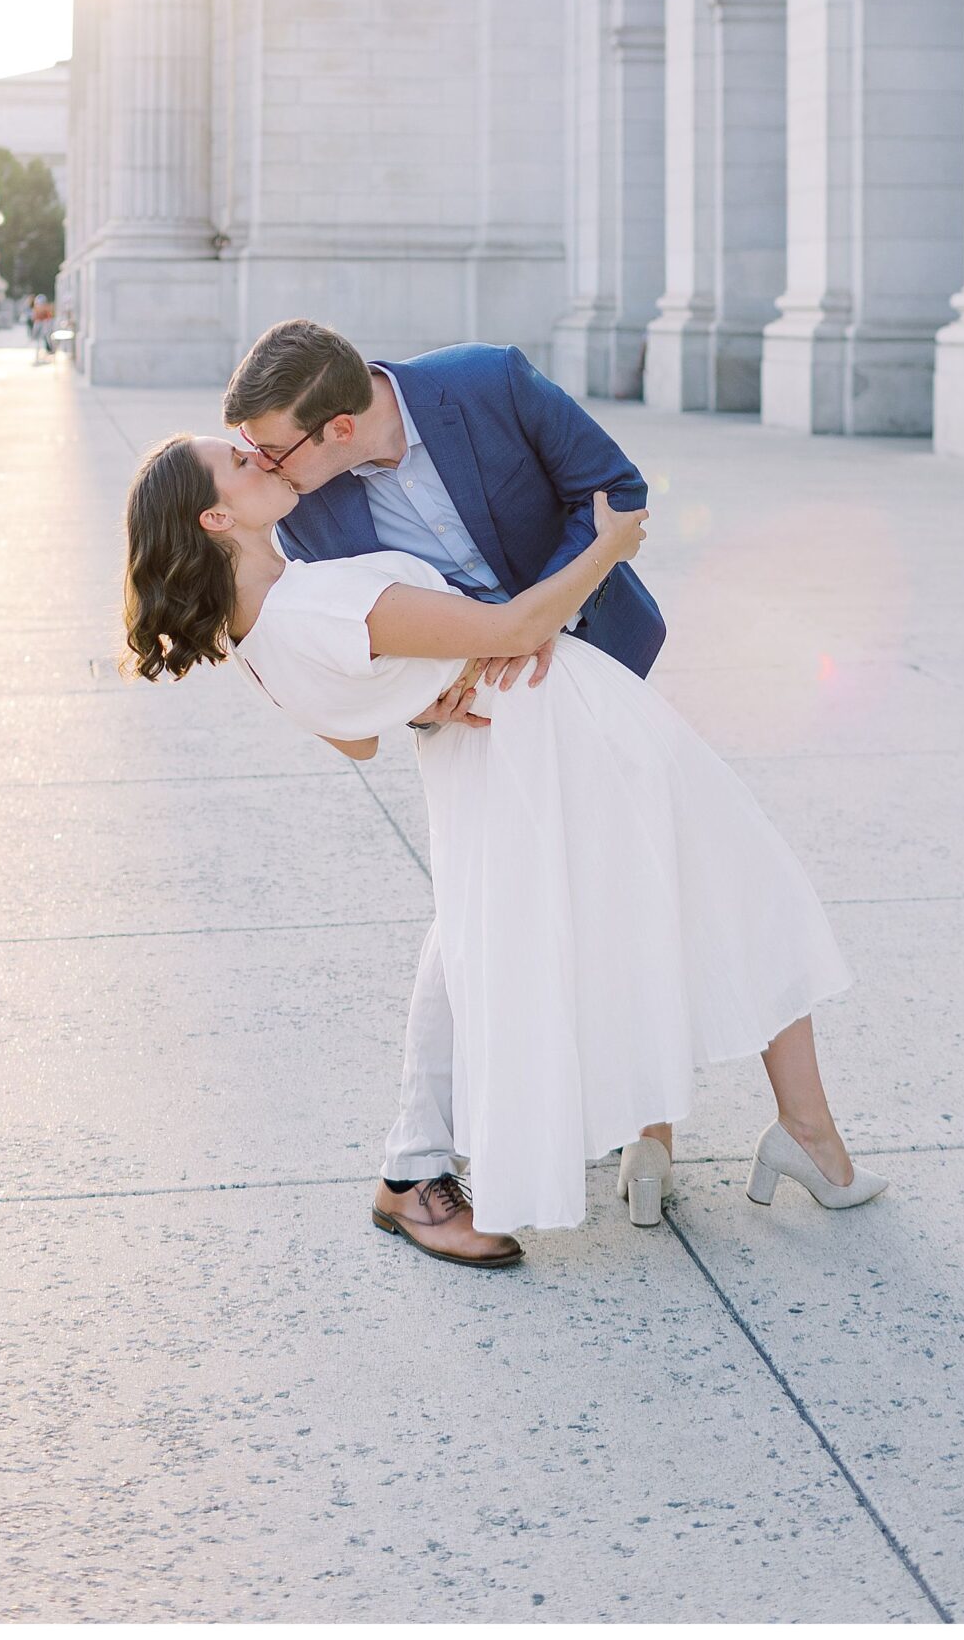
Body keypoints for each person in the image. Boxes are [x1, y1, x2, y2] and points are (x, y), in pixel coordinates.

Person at [122, 433, 887, 1268]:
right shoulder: (314, 607)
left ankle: (664, 1133)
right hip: (551, 732)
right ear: (215, 516)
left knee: (542, 932)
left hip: (512, 747)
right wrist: (609, 546)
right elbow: (517, 625)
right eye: (235, 463)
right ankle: (764, 1134)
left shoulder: (260, 622)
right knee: (733, 895)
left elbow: (355, 741)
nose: (255, 458)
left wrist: (422, 694)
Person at [222, 319, 667, 1261]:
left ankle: (625, 1118)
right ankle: (437, 1158)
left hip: (597, 669)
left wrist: (529, 629)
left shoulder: (487, 382)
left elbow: (614, 493)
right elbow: (351, 672)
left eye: (271, 447)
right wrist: (433, 696)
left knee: (600, 894)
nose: (259, 462)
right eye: (248, 456)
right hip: (472, 731)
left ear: (337, 425)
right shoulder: (298, 507)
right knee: (489, 923)